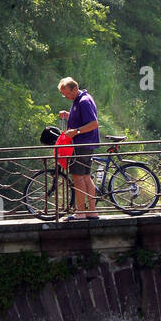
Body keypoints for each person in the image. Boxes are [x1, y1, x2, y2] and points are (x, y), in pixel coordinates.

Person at [58, 77, 100, 218]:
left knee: (78, 177)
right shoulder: (79, 99)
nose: (66, 97)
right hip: (85, 144)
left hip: (82, 144)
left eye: (68, 94)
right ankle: (92, 211)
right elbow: (82, 119)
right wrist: (68, 115)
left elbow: (94, 123)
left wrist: (76, 131)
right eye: (64, 95)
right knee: (86, 177)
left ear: (74, 89)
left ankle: (80, 212)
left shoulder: (84, 101)